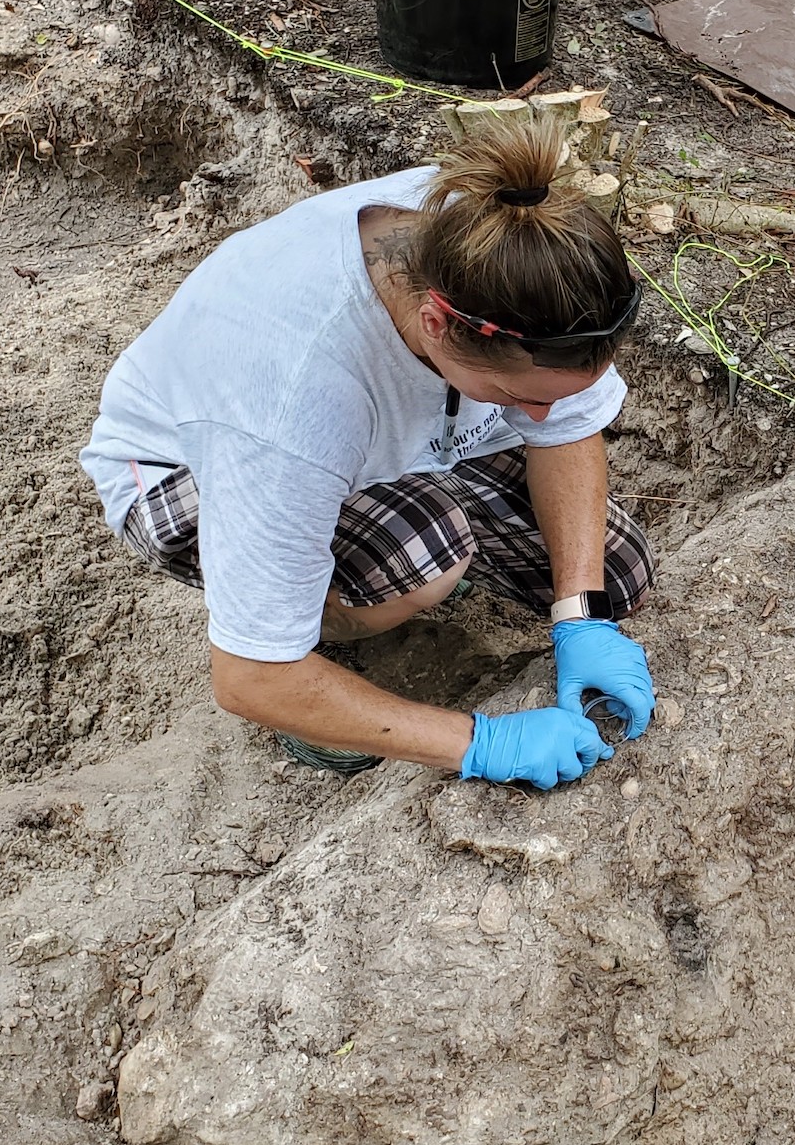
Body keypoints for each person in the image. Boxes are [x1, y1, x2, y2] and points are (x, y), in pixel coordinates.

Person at [80, 117, 657, 788]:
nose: (540, 418)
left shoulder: (513, 248)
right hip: (183, 468)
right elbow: (246, 677)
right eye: (517, 395)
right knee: (425, 552)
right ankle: (322, 647)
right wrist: (478, 741)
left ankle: (413, 553)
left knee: (616, 579)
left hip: (405, 436)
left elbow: (565, 425)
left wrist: (578, 617)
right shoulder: (294, 397)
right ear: (437, 325)